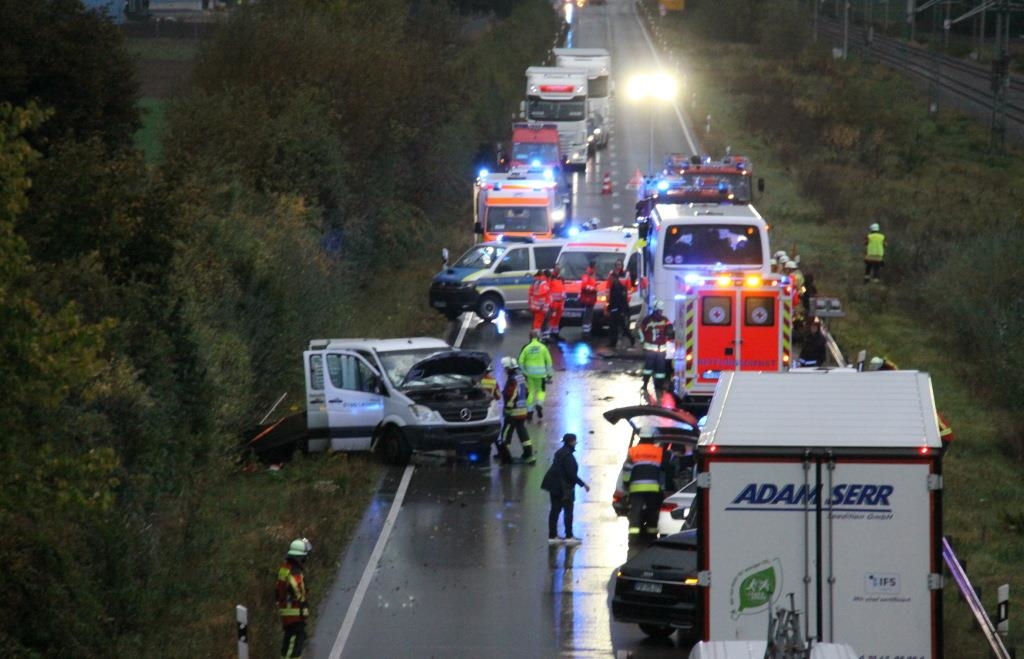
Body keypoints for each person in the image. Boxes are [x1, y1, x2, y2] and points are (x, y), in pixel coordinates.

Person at [620, 433, 673, 543]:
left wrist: (626, 483)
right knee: (652, 512)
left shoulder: (633, 451)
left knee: (635, 512)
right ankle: (651, 536)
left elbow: (627, 469)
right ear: (653, 438)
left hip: (636, 488)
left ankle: (633, 537)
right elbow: (665, 469)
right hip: (653, 488)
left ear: (640, 437)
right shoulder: (658, 451)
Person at [540, 433, 590, 544]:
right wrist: (584, 484)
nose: (576, 443)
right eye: (575, 441)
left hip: (554, 485)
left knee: (555, 510)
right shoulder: (568, 456)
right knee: (568, 511)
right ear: (571, 442)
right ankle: (569, 536)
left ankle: (552, 536)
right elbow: (571, 474)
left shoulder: (560, 453)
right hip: (563, 488)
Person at [277, 538, 312, 659]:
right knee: (292, 649)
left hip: (290, 615)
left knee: (293, 645)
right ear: (299, 557)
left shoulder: (285, 568)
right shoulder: (294, 572)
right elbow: (297, 592)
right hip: (294, 616)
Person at [496, 357, 532, 464]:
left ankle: (504, 454)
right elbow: (527, 391)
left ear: (509, 368)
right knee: (522, 431)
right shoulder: (521, 376)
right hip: (522, 409)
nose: (505, 370)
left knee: (507, 431)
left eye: (506, 368)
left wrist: (508, 407)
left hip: (513, 411)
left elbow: (512, 394)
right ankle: (528, 453)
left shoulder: (512, 379)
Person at [638, 299, 675, 396]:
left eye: (661, 311)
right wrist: (643, 341)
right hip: (650, 349)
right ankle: (645, 384)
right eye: (659, 311)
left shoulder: (664, 319)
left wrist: (670, 333)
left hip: (661, 349)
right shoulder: (647, 319)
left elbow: (670, 328)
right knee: (648, 368)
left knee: (661, 370)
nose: (660, 313)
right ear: (654, 310)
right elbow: (640, 331)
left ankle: (659, 386)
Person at [518, 330, 553, 421]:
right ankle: (539, 404)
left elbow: (520, 361)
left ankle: (529, 412)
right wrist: (549, 374)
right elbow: (548, 362)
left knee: (531, 392)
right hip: (541, 374)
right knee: (541, 391)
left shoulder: (527, 348)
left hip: (530, 374)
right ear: (539, 337)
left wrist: (524, 371)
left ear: (530, 338)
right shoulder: (543, 347)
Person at [606, 259, 635, 350]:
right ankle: (612, 342)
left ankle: (631, 338)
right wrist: (608, 302)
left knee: (622, 324)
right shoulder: (611, 275)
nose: (618, 266)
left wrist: (626, 303)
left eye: (620, 264)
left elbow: (629, 289)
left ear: (622, 265)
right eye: (617, 264)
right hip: (614, 303)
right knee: (612, 324)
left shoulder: (626, 274)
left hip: (622, 304)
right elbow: (608, 289)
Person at [545, 266, 566, 341]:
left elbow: (562, 288)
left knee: (557, 319)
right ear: (554, 269)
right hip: (553, 302)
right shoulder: (551, 278)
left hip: (560, 302)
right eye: (557, 269)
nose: (559, 270)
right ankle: (550, 334)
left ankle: (555, 333)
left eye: (559, 269)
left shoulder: (560, 278)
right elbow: (548, 288)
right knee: (552, 319)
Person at [579, 261, 598, 337]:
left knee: (589, 316)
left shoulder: (592, 274)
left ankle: (587, 332)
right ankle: (586, 333)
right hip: (587, 299)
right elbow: (584, 286)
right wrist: (593, 289)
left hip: (591, 299)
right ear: (593, 266)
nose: (597, 268)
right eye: (596, 266)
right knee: (587, 316)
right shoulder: (588, 275)